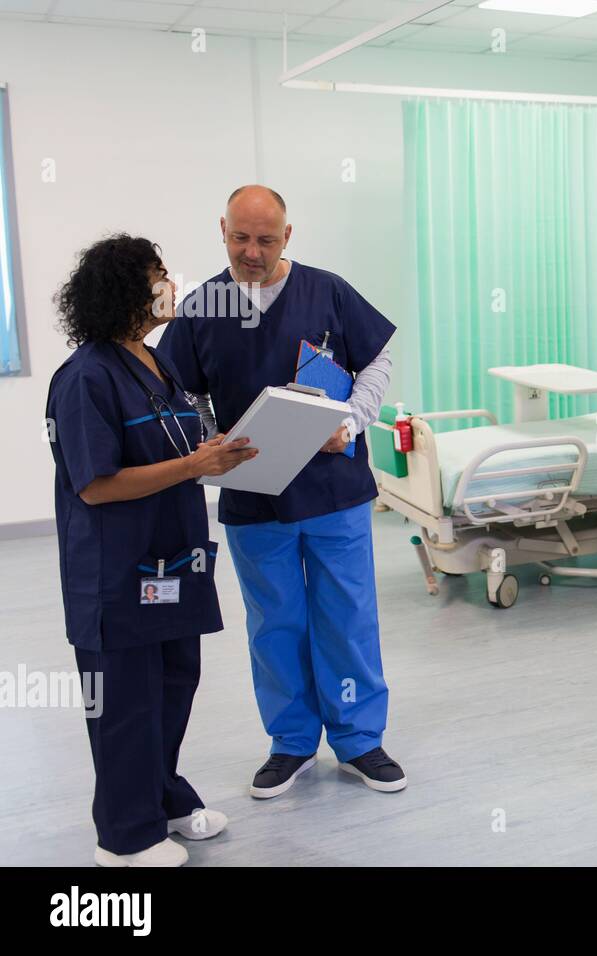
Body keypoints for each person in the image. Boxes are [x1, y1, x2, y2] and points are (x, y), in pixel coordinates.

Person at [157, 185, 406, 799]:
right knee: (276, 623)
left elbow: (377, 358)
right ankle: (291, 741)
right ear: (222, 229)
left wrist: (351, 419)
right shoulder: (201, 308)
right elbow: (178, 394)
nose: (252, 250)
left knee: (346, 617)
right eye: (240, 237)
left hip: (334, 490)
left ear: (287, 237)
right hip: (254, 494)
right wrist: (212, 440)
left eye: (266, 239)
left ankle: (358, 739)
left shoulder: (327, 291)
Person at [48, 235, 257, 866]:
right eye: (159, 275)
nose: (172, 284)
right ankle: (125, 838)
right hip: (116, 571)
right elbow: (96, 483)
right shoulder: (85, 377)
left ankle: (162, 799)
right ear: (126, 291)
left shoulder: (154, 361)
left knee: (172, 686)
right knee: (125, 704)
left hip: (170, 559)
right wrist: (197, 462)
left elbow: (176, 443)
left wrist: (218, 449)